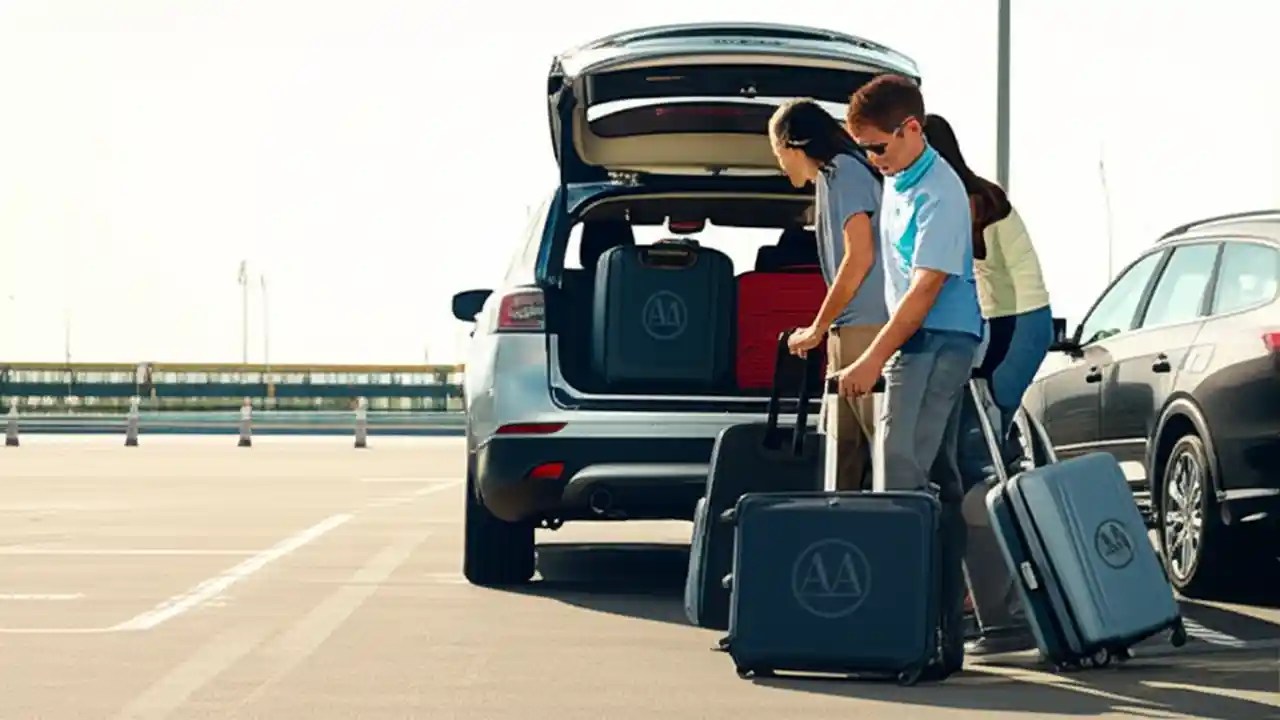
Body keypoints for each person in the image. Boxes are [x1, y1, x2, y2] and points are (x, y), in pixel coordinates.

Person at [840, 73, 984, 677]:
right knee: (939, 481)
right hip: (918, 339)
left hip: (938, 341)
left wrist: (873, 355)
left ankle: (904, 625)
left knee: (899, 476)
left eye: (878, 147)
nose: (873, 161)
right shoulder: (898, 179)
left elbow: (925, 289)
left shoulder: (940, 192)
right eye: (864, 151)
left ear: (912, 130)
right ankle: (941, 634)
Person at [924, 113, 1055, 656]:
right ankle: (990, 595)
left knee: (986, 451)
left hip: (1018, 321)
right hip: (1001, 320)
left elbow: (981, 280)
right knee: (983, 446)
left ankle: (1006, 602)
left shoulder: (975, 199)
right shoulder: (962, 195)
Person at [768, 98, 887, 491]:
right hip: (851, 329)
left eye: (777, 152)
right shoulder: (834, 177)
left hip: (866, 330)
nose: (779, 163)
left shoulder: (846, 174)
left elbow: (860, 257)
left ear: (791, 145)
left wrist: (817, 328)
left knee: (875, 453)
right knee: (845, 455)